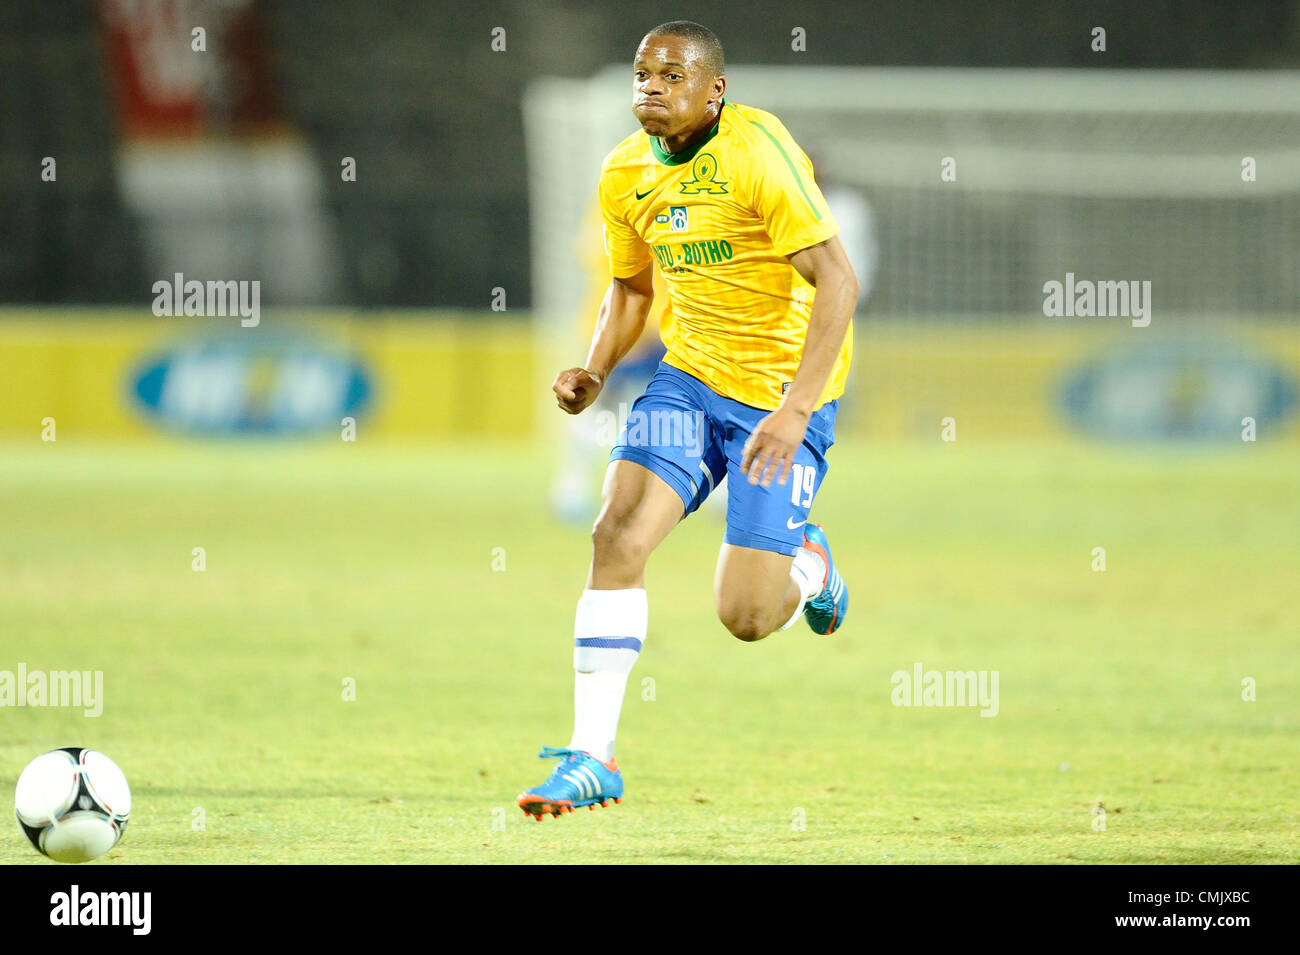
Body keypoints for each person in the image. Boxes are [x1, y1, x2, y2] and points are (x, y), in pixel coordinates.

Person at [518, 20, 858, 820]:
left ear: (715, 90)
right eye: (642, 74)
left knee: (744, 616)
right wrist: (596, 370)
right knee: (617, 534)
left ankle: (810, 564)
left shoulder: (757, 152)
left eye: (672, 76)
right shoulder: (625, 173)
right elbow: (631, 290)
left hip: (779, 399)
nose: (651, 89)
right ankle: (591, 756)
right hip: (689, 384)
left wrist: (795, 409)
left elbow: (837, 281)